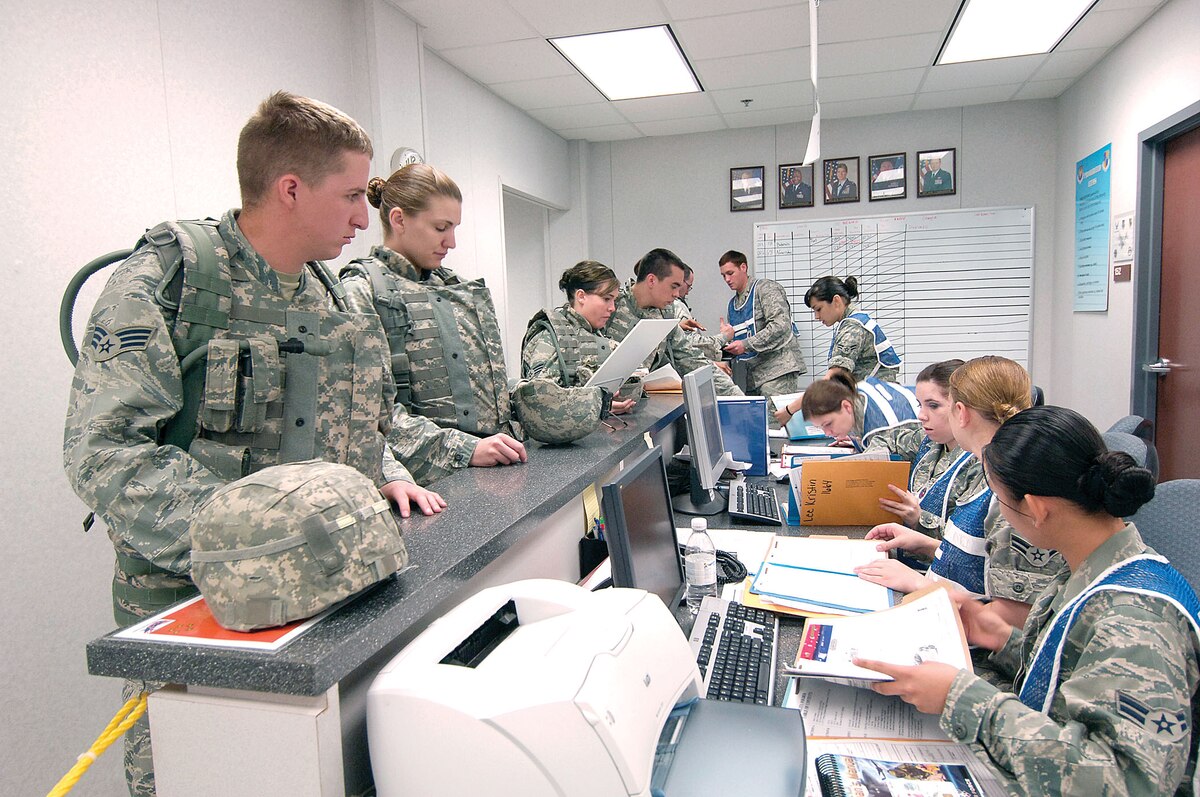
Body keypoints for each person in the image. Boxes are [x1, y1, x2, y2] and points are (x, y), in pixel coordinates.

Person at [63, 91, 444, 797]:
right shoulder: (169, 281)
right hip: (197, 615)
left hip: (327, 605)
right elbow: (104, 451)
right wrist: (260, 536)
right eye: (353, 196)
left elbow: (368, 416)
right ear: (291, 188)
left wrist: (383, 470)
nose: (366, 219)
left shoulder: (339, 298)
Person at [855, 406, 1200, 797]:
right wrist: (1003, 639)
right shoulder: (1093, 564)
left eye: (999, 501)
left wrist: (963, 699)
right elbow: (1075, 676)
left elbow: (1125, 784)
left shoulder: (1135, 622)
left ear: (1035, 508)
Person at [339, 163, 526, 483]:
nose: (451, 242)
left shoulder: (460, 291)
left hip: (491, 470)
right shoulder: (362, 290)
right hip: (418, 483)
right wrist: (465, 449)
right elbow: (368, 416)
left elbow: (490, 392)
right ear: (399, 220)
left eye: (454, 228)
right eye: (441, 228)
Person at [855, 357, 1033, 597]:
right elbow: (979, 559)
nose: (921, 415)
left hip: (953, 617)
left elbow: (1007, 619)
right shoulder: (994, 471)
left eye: (935, 406)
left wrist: (918, 584)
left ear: (959, 412)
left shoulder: (1006, 489)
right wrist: (925, 544)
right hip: (942, 599)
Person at [861, 360, 977, 539]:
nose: (921, 416)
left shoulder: (979, 463)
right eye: (919, 405)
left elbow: (970, 542)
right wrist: (870, 463)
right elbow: (887, 439)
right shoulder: (928, 440)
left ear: (961, 408)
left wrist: (919, 520)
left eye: (933, 406)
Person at [518, 260, 635, 436]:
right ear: (581, 296)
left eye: (614, 300)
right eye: (606, 299)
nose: (612, 308)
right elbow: (542, 403)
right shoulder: (550, 338)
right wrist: (597, 405)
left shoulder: (595, 334)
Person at [607, 248, 743, 396]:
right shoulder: (611, 305)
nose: (677, 294)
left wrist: (736, 396)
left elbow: (690, 357)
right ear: (651, 280)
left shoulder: (666, 312)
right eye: (673, 286)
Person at [704, 249, 807, 402]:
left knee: (773, 422)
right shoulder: (733, 305)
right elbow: (739, 345)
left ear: (743, 267)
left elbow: (781, 325)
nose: (727, 279)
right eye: (723, 276)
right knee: (756, 422)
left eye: (730, 273)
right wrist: (726, 339)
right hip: (753, 378)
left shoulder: (765, 289)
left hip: (778, 371)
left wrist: (746, 344)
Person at [776, 370, 917, 450]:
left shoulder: (881, 430)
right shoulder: (854, 392)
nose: (827, 433)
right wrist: (859, 440)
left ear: (846, 406)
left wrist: (870, 445)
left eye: (828, 424)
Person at [806, 274, 901, 382]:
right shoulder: (858, 320)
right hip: (879, 390)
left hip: (872, 393)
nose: (816, 316)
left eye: (818, 309)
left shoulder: (852, 328)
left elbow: (835, 374)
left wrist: (805, 398)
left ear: (836, 301)